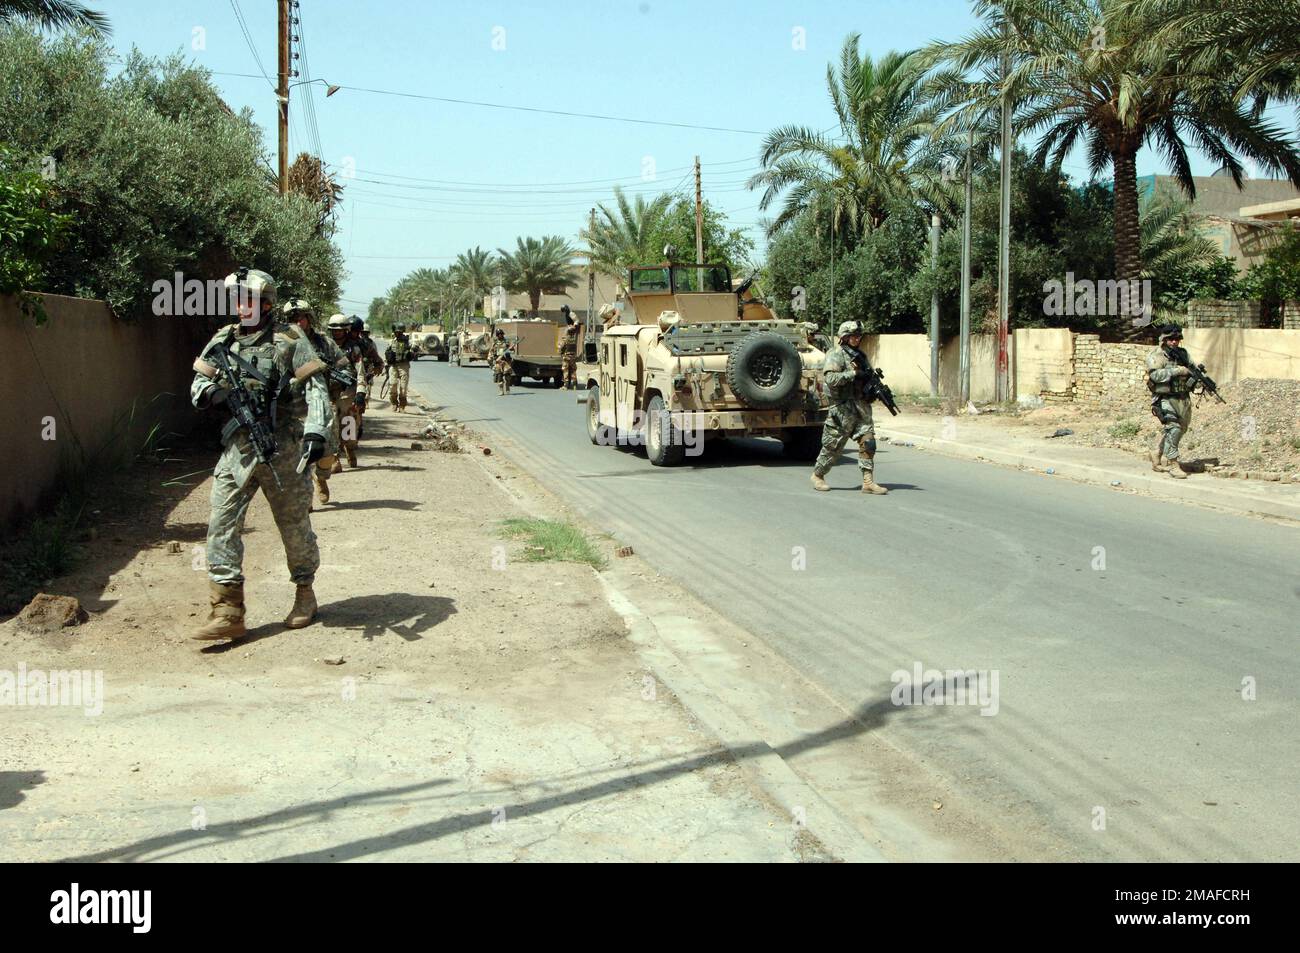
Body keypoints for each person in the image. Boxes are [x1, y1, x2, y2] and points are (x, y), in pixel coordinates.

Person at [190, 268, 330, 641]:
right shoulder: (224, 339)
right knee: (221, 524)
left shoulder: (289, 338)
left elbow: (316, 388)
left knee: (294, 526)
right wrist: (216, 394)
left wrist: (317, 432)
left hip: (283, 447)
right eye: (237, 300)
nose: (241, 306)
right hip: (237, 450)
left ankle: (305, 593)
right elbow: (198, 383)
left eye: (248, 300)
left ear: (266, 303)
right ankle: (227, 610)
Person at [283, 302, 354, 505]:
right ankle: (305, 500)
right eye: (293, 318)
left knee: (328, 451)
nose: (298, 322)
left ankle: (320, 477)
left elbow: (345, 368)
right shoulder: (281, 342)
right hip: (294, 407)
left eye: (301, 317)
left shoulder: (324, 343)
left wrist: (330, 379)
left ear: (309, 318)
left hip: (323, 404)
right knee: (298, 453)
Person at [811, 320, 888, 495]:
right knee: (832, 447)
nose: (856, 339)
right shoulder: (835, 354)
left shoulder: (860, 356)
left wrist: (873, 386)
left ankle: (868, 482)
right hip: (841, 409)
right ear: (844, 337)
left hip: (861, 407)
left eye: (858, 336)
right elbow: (830, 379)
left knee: (868, 442)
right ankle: (818, 475)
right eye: (853, 336)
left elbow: (865, 377)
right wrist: (853, 374)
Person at [1146, 323, 1198, 479]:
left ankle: (1157, 453)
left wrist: (1198, 379)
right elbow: (1155, 376)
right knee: (1173, 428)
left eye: (1177, 339)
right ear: (1164, 339)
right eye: (1171, 339)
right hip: (1165, 398)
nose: (1174, 342)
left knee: (1181, 428)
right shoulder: (1157, 355)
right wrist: (1177, 371)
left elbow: (1192, 369)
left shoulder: (1183, 354)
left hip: (1183, 398)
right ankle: (1173, 463)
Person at [386, 322, 414, 412]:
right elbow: (387, 353)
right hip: (393, 366)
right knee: (392, 385)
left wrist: (412, 351)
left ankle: (402, 405)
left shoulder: (408, 341)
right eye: (396, 332)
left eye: (399, 332)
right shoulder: (391, 341)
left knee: (403, 388)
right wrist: (387, 364)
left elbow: (414, 351)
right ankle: (394, 403)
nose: (397, 333)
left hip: (404, 366)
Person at [559, 307, 581, 390]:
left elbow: (563, 345)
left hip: (566, 356)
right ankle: (575, 385)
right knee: (573, 370)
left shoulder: (566, 338)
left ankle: (566, 385)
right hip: (573, 355)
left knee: (565, 370)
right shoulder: (574, 340)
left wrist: (560, 350)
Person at [492, 330, 515, 396]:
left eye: (501, 334)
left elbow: (512, 351)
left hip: (506, 362)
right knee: (499, 376)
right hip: (498, 362)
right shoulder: (495, 343)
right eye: (499, 334)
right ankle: (501, 391)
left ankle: (507, 388)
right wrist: (493, 359)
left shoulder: (507, 342)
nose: (500, 335)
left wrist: (511, 349)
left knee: (507, 377)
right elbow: (492, 351)